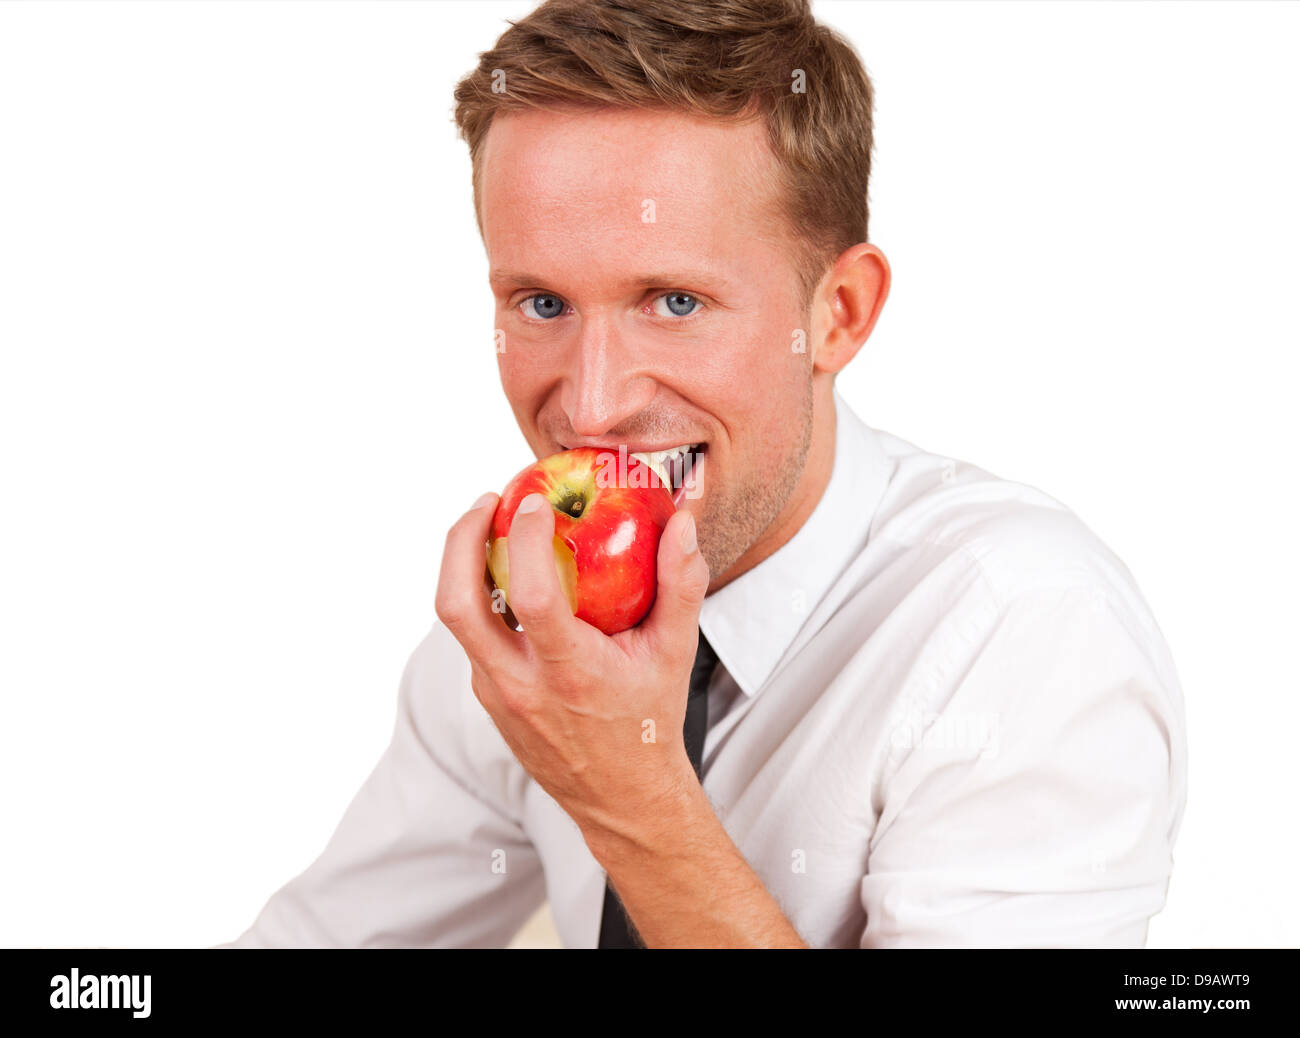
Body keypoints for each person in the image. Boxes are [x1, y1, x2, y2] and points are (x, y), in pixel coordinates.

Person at [218, 0, 1187, 949]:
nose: (591, 407)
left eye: (673, 301)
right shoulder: (524, 628)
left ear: (839, 313)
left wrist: (631, 798)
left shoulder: (1026, 633)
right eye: (543, 301)